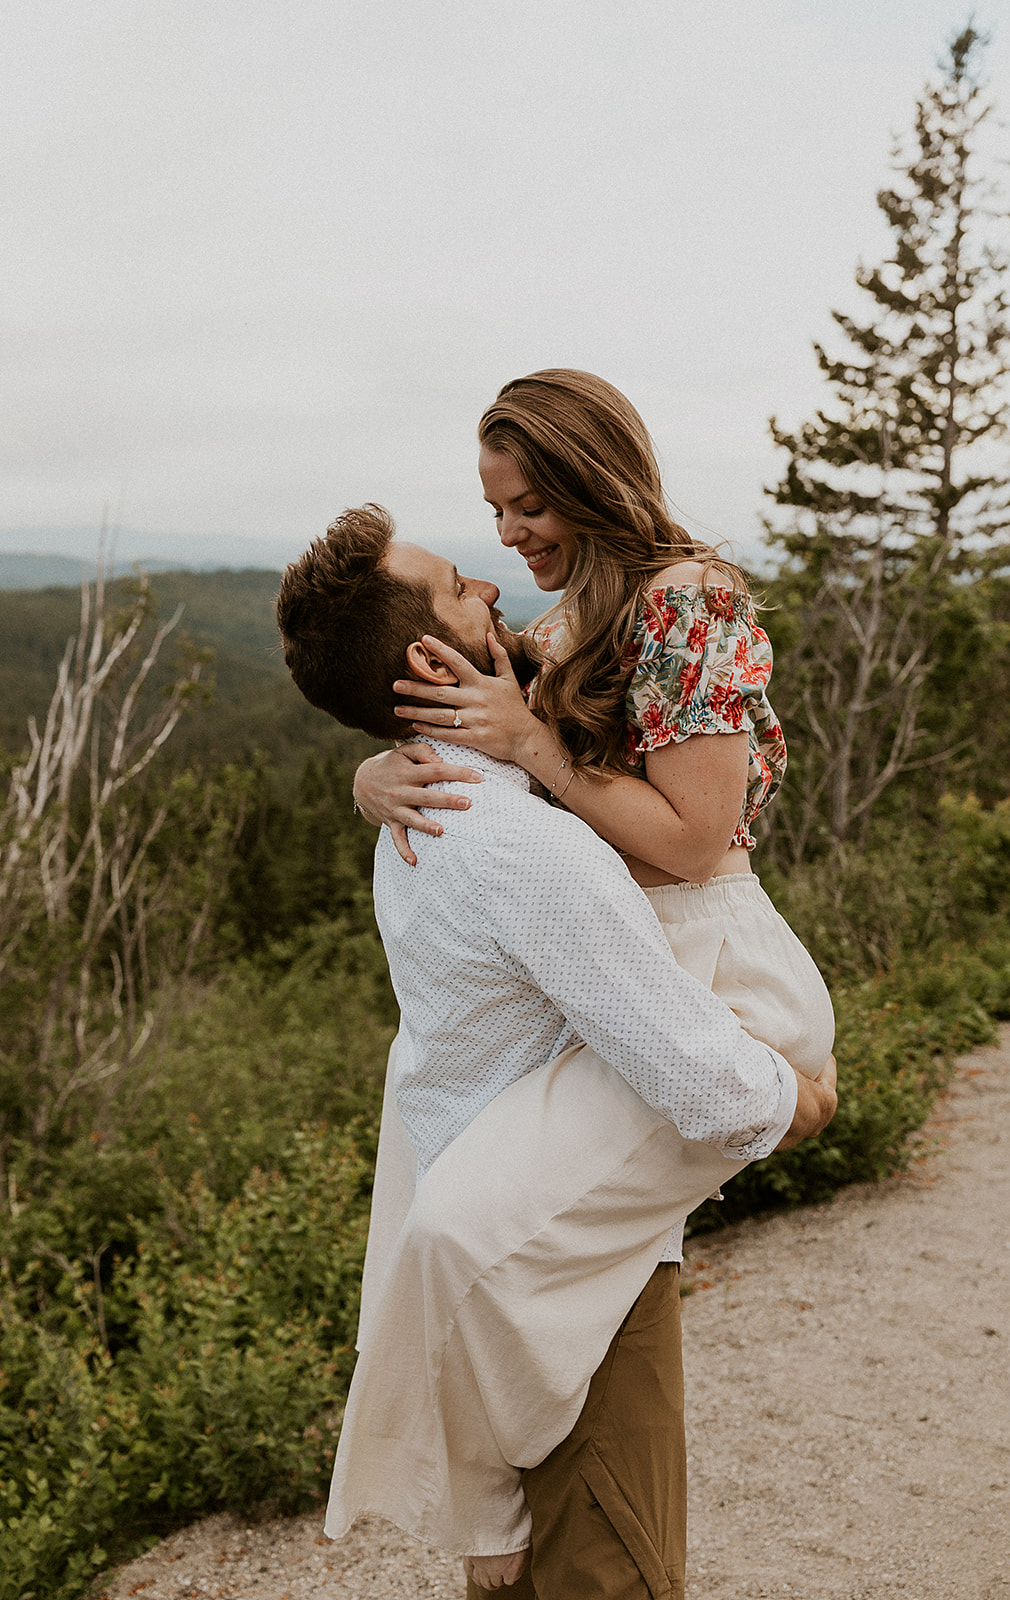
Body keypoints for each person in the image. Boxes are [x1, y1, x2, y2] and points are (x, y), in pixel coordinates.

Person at [276, 505, 837, 1598]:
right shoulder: (524, 848)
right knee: (613, 1566)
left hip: (512, 1227)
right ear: (434, 654)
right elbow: (694, 1073)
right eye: (456, 581)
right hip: (568, 1269)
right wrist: (803, 1100)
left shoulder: (423, 817)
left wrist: (372, 766)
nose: (490, 579)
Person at [353, 370, 835, 1280]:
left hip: (707, 961)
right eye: (495, 510)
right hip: (628, 972)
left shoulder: (687, 599)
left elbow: (694, 843)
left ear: (594, 483)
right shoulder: (574, 619)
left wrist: (537, 743)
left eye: (529, 506)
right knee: (450, 1191)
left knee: (475, 1241)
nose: (507, 535)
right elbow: (478, 736)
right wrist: (374, 774)